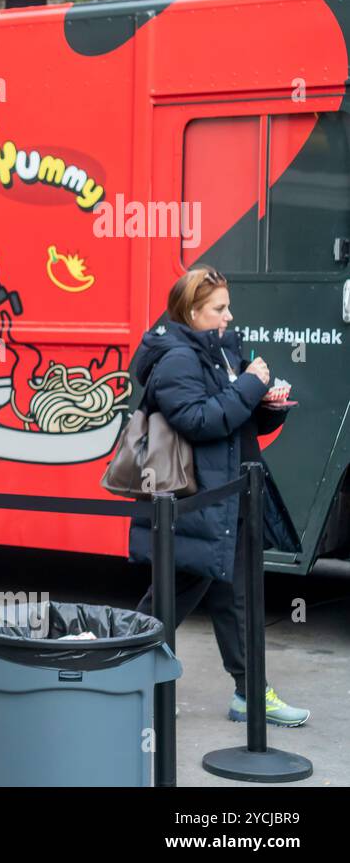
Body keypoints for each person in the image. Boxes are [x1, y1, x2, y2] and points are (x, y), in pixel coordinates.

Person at [127, 266, 308, 726]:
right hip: (198, 499)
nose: (229, 316)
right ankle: (119, 670)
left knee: (235, 597)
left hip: (230, 492)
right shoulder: (176, 360)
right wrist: (249, 385)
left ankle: (250, 692)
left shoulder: (221, 350)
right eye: (219, 308)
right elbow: (198, 421)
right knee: (172, 597)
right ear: (192, 311)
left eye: (228, 306)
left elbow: (235, 420)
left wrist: (267, 406)